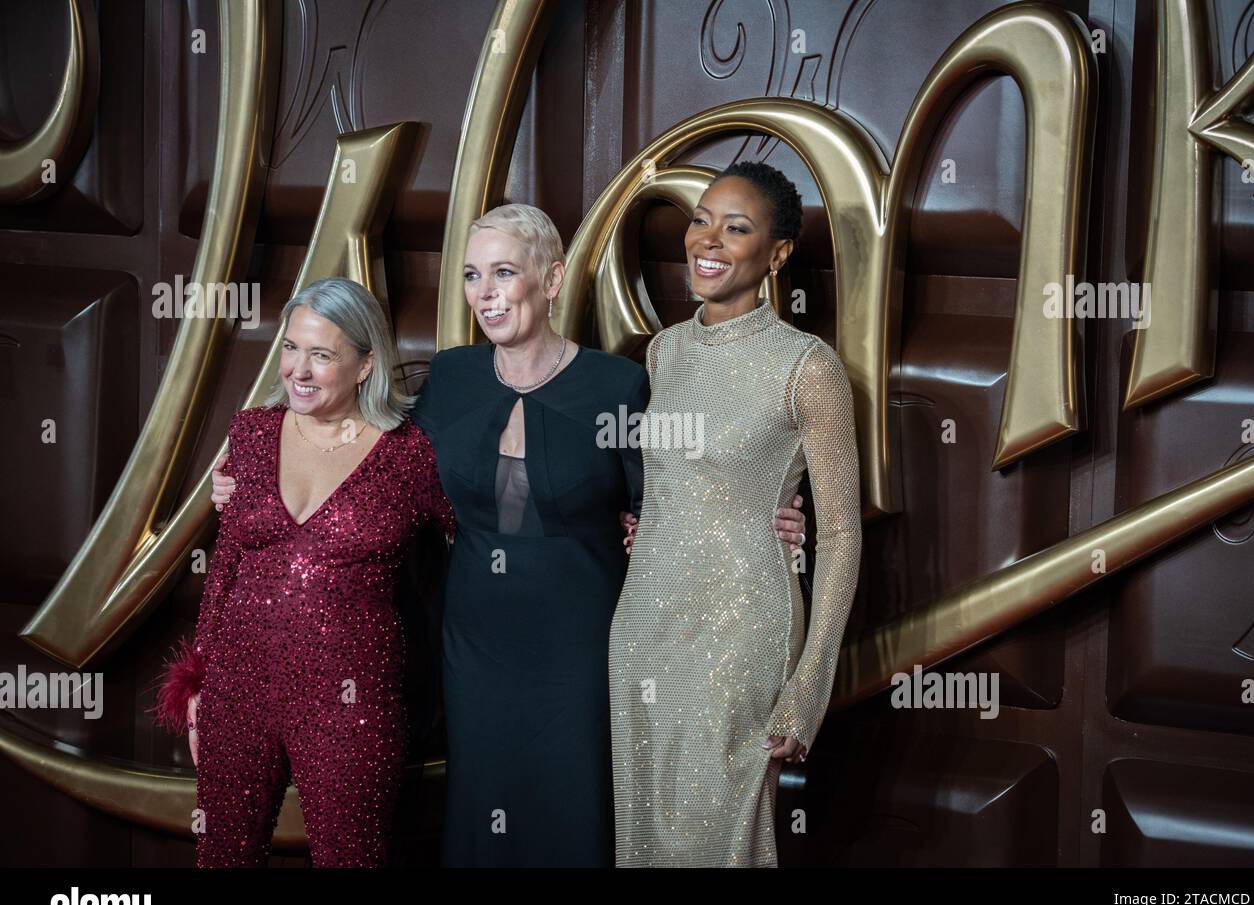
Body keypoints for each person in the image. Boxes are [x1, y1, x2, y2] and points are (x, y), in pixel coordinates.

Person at [210, 205, 809, 866]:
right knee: (480, 810)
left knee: (573, 809)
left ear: (551, 280)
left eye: (503, 272)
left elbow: (677, 499)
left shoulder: (618, 383)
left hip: (580, 643)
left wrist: (768, 513)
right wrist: (252, 488)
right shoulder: (453, 378)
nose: (484, 291)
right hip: (475, 645)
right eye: (471, 274)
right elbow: (373, 459)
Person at [608, 161, 862, 867]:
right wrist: (649, 526)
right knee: (643, 841)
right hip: (642, 630)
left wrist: (809, 687)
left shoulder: (807, 366)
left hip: (739, 635)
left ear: (776, 254)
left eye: (737, 227)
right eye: (701, 219)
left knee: (716, 844)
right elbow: (672, 486)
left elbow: (840, 533)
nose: (709, 240)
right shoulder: (663, 351)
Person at [153, 277, 455, 867]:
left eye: (322, 354)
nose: (299, 369)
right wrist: (200, 683)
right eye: (292, 347)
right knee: (222, 857)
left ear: (366, 365)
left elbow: (480, 536)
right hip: (237, 691)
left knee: (351, 859)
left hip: (350, 701)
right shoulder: (252, 431)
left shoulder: (407, 455)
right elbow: (227, 568)